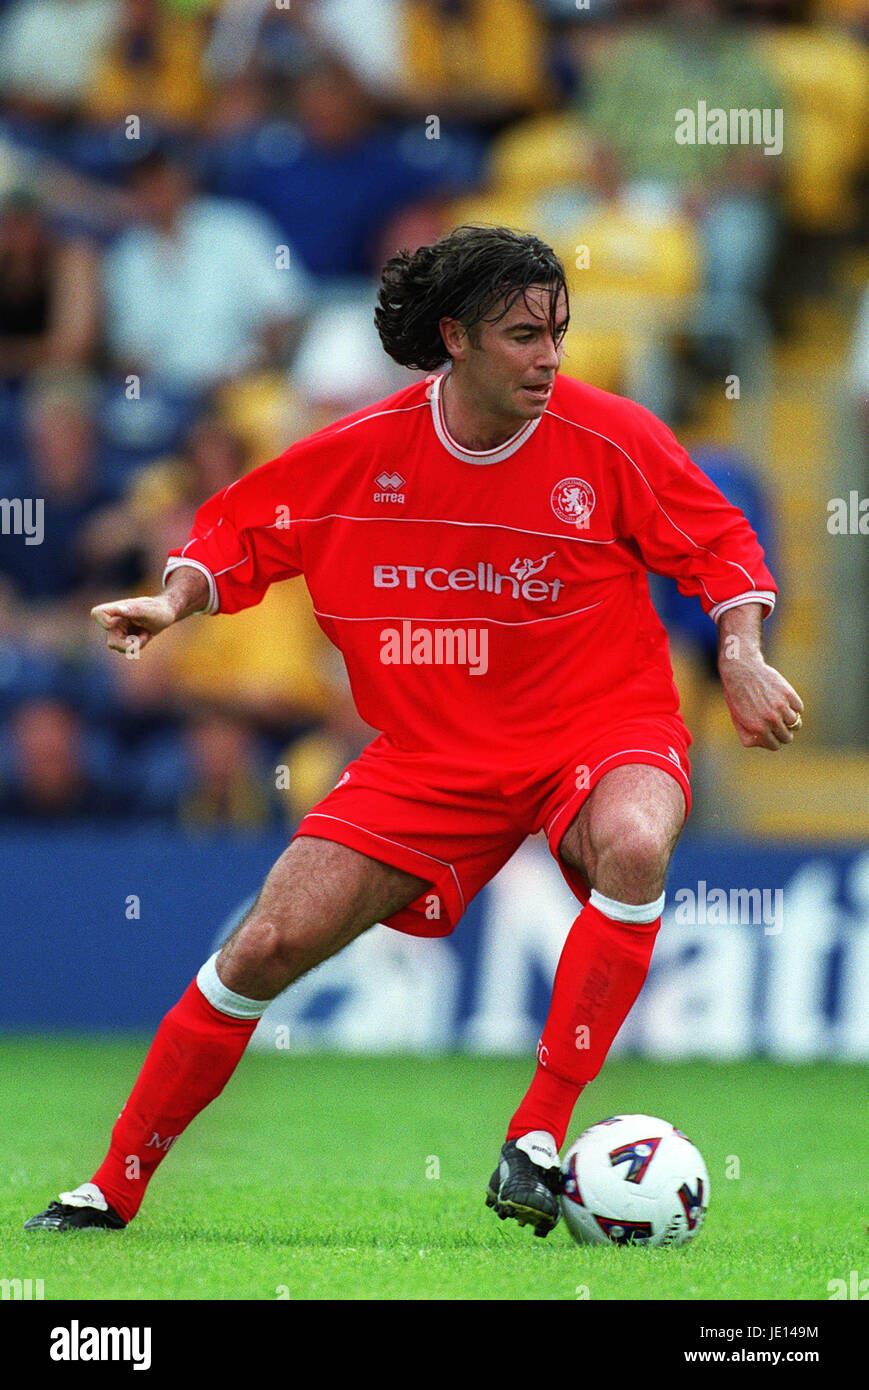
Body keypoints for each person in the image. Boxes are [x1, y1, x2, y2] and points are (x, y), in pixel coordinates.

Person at [25, 225, 803, 1237]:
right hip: (430, 758)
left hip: (598, 724)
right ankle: (110, 1188)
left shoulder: (611, 438)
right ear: (456, 337)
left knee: (633, 840)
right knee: (264, 943)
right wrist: (172, 603)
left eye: (557, 333)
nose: (549, 358)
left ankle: (535, 1135)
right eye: (523, 335)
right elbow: (239, 531)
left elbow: (718, 540)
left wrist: (739, 650)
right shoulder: (360, 454)